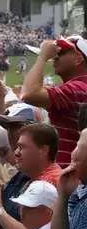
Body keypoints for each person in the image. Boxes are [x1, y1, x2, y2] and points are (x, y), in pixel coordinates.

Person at [19, 36, 87, 165]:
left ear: (79, 59)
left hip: (67, 167)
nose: (55, 57)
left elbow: (29, 94)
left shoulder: (79, 88)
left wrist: (42, 58)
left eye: (61, 53)